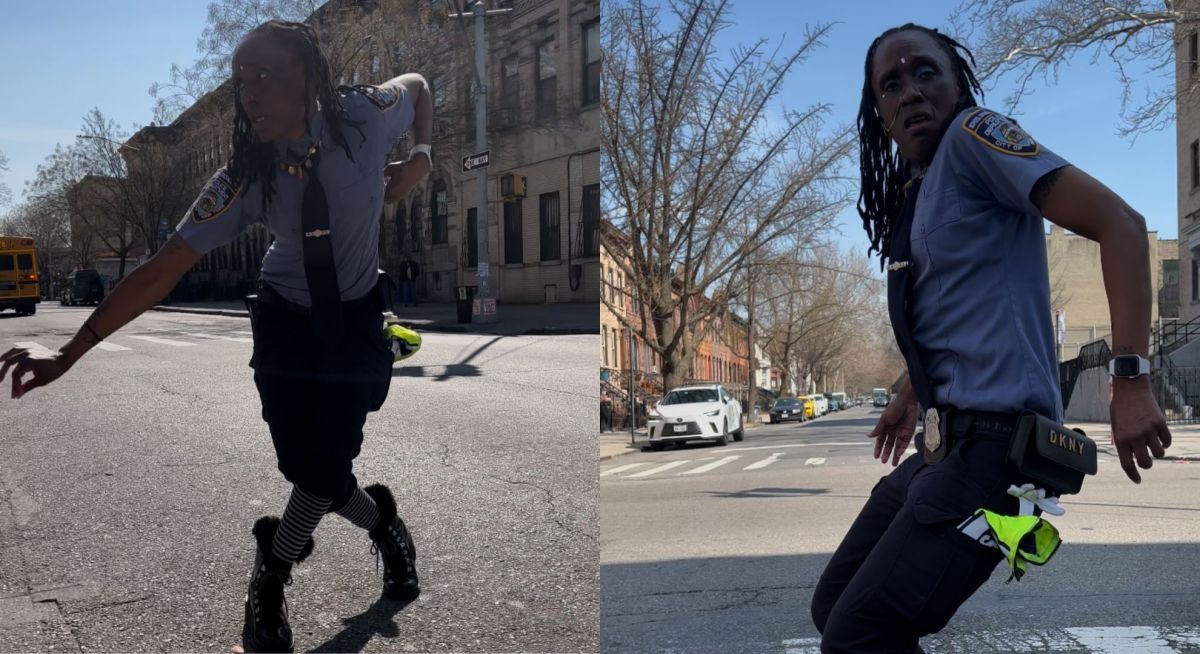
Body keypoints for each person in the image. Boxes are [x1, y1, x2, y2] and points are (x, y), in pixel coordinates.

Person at [0, 20, 433, 654]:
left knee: (321, 464)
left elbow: (420, 86)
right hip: (285, 322)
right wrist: (69, 352)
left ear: (310, 79)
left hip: (355, 321)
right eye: (241, 82)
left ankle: (271, 575)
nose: (250, 95)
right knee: (310, 470)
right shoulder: (243, 177)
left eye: (266, 77)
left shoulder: (365, 115)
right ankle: (386, 526)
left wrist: (422, 157)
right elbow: (165, 266)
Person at [808, 23, 1173, 653]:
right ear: (879, 114)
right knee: (836, 605)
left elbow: (1123, 224)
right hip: (947, 447)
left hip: (1001, 454)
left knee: (861, 633)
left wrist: (1131, 378)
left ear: (957, 84)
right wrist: (907, 390)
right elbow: (959, 311)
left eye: (926, 72)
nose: (911, 92)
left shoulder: (976, 139)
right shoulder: (918, 191)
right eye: (890, 84)